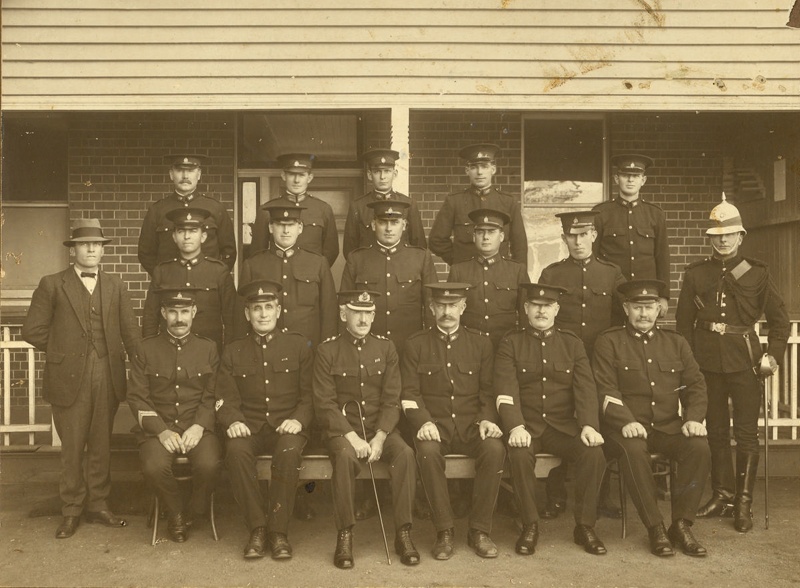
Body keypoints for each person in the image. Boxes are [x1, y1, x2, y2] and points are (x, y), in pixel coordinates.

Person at [676, 195, 789, 532]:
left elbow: (780, 321)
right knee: (717, 433)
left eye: (729, 234)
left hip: (745, 362)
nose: (722, 240)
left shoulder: (757, 273)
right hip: (706, 362)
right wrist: (688, 363)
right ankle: (722, 494)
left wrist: (773, 355)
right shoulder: (696, 274)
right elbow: (683, 324)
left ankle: (743, 501)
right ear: (709, 239)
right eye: (716, 235)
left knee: (746, 433)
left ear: (740, 237)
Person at [22, 219, 141, 539]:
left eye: (97, 244)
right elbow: (32, 330)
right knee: (72, 447)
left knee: (102, 444)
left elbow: (131, 334)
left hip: (107, 373)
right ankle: (72, 509)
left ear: (103, 250)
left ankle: (98, 504)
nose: (91, 249)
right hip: (67, 375)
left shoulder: (116, 285)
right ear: (72, 250)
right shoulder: (52, 284)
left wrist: (142, 364)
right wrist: (66, 349)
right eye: (85, 244)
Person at [594, 280, 710, 557]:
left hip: (667, 426)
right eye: (637, 307)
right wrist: (625, 420)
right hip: (624, 429)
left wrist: (693, 418)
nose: (644, 314)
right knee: (633, 450)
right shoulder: (608, 342)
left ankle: (681, 524)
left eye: (649, 307)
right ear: (625, 308)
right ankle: (655, 527)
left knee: (698, 446)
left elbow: (696, 385)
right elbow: (604, 389)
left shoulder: (676, 343)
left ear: (659, 309)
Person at [494, 283, 607, 557]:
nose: (541, 310)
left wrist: (589, 425)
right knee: (519, 454)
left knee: (593, 453)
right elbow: (506, 389)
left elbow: (585, 389)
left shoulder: (572, 343)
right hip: (527, 426)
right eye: (535, 305)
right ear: (526, 309)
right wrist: (515, 425)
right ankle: (529, 524)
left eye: (547, 306)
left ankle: (585, 526)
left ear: (556, 309)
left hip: (561, 427)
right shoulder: (511, 342)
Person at [313, 290, 419, 568]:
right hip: (342, 432)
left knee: (405, 454)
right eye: (356, 312)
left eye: (367, 313)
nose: (362, 318)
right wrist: (352, 437)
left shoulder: (386, 349)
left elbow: (392, 398)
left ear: (374, 315)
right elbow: (324, 403)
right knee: (346, 457)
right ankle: (345, 533)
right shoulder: (327, 350)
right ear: (343, 314)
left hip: (379, 429)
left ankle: (403, 533)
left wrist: (381, 437)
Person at [401, 283, 505, 560]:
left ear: (463, 308)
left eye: (452, 306)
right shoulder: (415, 344)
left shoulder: (481, 344)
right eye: (441, 306)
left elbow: (488, 390)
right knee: (426, 451)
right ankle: (444, 531)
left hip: (472, 425)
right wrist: (422, 422)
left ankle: (479, 530)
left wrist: (486, 419)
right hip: (435, 426)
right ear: (432, 308)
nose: (447, 311)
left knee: (495, 449)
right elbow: (409, 394)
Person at [215, 280, 314, 560]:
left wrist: (298, 420)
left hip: (288, 426)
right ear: (247, 314)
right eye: (256, 309)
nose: (262, 314)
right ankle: (257, 527)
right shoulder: (234, 350)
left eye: (268, 307)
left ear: (278, 310)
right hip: (251, 426)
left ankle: (278, 532)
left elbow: (310, 395)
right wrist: (233, 420)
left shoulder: (298, 345)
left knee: (288, 452)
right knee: (235, 451)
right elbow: (224, 396)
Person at [538, 210, 626, 519]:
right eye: (571, 236)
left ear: (593, 236)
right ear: (564, 239)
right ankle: (555, 495)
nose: (577, 241)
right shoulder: (552, 274)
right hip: (560, 362)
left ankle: (601, 496)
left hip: (599, 362)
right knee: (560, 420)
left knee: (598, 424)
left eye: (583, 234)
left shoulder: (611, 273)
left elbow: (620, 320)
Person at [127, 287, 221, 543]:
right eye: (173, 312)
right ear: (163, 313)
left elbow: (211, 395)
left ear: (193, 313)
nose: (179, 319)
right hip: (159, 428)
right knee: (154, 467)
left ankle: (195, 510)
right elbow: (137, 397)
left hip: (196, 427)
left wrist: (200, 426)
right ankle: (177, 512)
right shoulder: (145, 349)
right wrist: (161, 430)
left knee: (210, 464)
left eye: (184, 312)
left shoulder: (208, 348)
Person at [341, 199, 437, 346]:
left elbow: (432, 305)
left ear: (404, 225)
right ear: (373, 225)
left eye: (395, 223)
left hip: (410, 345)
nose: (388, 228)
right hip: (368, 347)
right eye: (382, 222)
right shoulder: (357, 259)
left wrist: (430, 344)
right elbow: (345, 306)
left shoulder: (420, 258)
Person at [240, 204, 337, 347]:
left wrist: (327, 351)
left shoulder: (318, 263)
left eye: (291, 225)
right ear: (271, 228)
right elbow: (242, 316)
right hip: (265, 350)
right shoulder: (253, 264)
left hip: (309, 348)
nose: (285, 231)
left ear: (300, 228)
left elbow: (329, 312)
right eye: (280, 225)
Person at [142, 207, 236, 353]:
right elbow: (150, 318)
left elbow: (232, 321)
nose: (187, 237)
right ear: (174, 236)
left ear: (203, 236)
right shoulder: (162, 271)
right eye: (181, 231)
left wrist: (228, 357)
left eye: (193, 231)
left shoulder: (219, 271)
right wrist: (150, 354)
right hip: (168, 354)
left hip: (210, 356)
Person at [429, 144, 527, 266]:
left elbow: (520, 245)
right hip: (464, 276)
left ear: (493, 169)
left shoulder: (508, 202)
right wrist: (458, 261)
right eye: (474, 167)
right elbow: (436, 240)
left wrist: (517, 274)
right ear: (467, 171)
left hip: (500, 274)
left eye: (485, 167)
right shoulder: (454, 201)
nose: (479, 172)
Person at [138, 154, 236, 275]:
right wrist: (163, 278)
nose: (185, 176)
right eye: (179, 170)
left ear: (199, 174)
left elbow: (229, 252)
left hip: (207, 285)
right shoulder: (157, 210)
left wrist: (216, 278)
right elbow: (145, 253)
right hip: (169, 285)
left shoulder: (215, 208)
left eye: (190, 170)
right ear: (171, 174)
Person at [448, 208, 529, 349]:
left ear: (502, 237)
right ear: (474, 237)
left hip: (506, 347)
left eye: (491, 232)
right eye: (480, 232)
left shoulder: (517, 270)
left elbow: (525, 314)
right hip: (469, 347)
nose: (485, 237)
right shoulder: (458, 271)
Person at [592, 154, 669, 293]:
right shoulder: (601, 213)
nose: (630, 180)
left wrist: (663, 296)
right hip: (611, 291)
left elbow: (662, 258)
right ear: (616, 179)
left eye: (636, 176)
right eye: (625, 175)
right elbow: (593, 257)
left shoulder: (656, 214)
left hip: (645, 292)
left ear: (643, 180)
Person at [249, 153, 339, 268]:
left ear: (310, 177)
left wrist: (316, 273)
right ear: (283, 176)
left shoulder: (323, 209)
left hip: (310, 279)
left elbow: (331, 251)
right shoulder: (266, 210)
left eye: (301, 175)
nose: (296, 180)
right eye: (292, 174)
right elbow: (257, 253)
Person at [343, 148, 427, 258]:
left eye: (387, 171)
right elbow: (350, 249)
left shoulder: (408, 204)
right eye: (377, 171)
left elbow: (419, 245)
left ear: (395, 174)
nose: (382, 177)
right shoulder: (358, 206)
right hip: (369, 267)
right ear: (369, 175)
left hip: (402, 267)